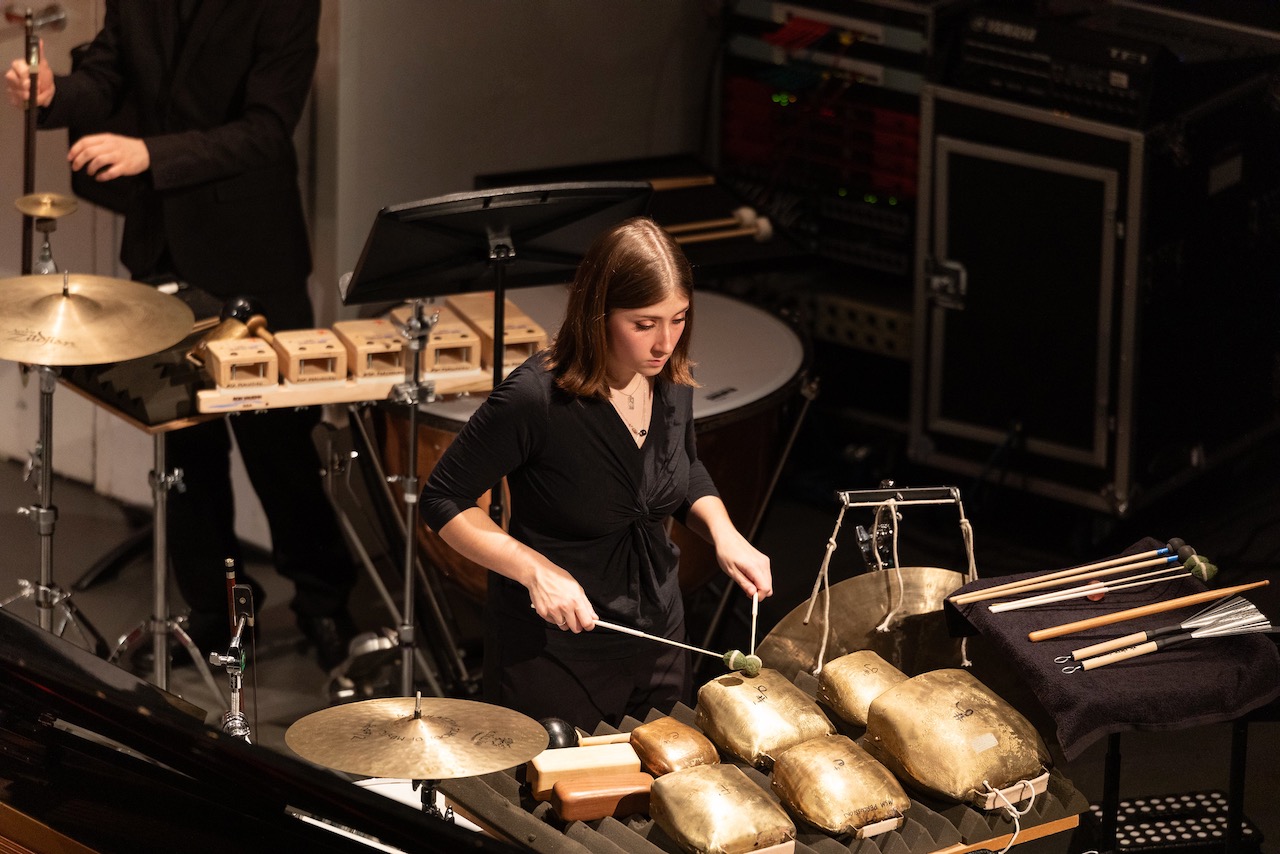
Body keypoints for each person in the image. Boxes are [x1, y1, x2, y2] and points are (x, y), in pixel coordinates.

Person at [4, 0, 358, 671]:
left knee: (279, 448)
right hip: (162, 246)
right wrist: (56, 93)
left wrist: (147, 153)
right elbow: (107, 76)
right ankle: (217, 610)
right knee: (185, 456)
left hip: (253, 252)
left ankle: (324, 602)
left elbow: (266, 128)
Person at [419, 216, 773, 730]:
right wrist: (534, 571)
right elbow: (443, 499)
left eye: (678, 319)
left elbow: (684, 466)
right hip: (555, 652)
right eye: (644, 323)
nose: (665, 342)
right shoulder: (535, 398)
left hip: (661, 638)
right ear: (598, 314)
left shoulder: (670, 379)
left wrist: (725, 533)